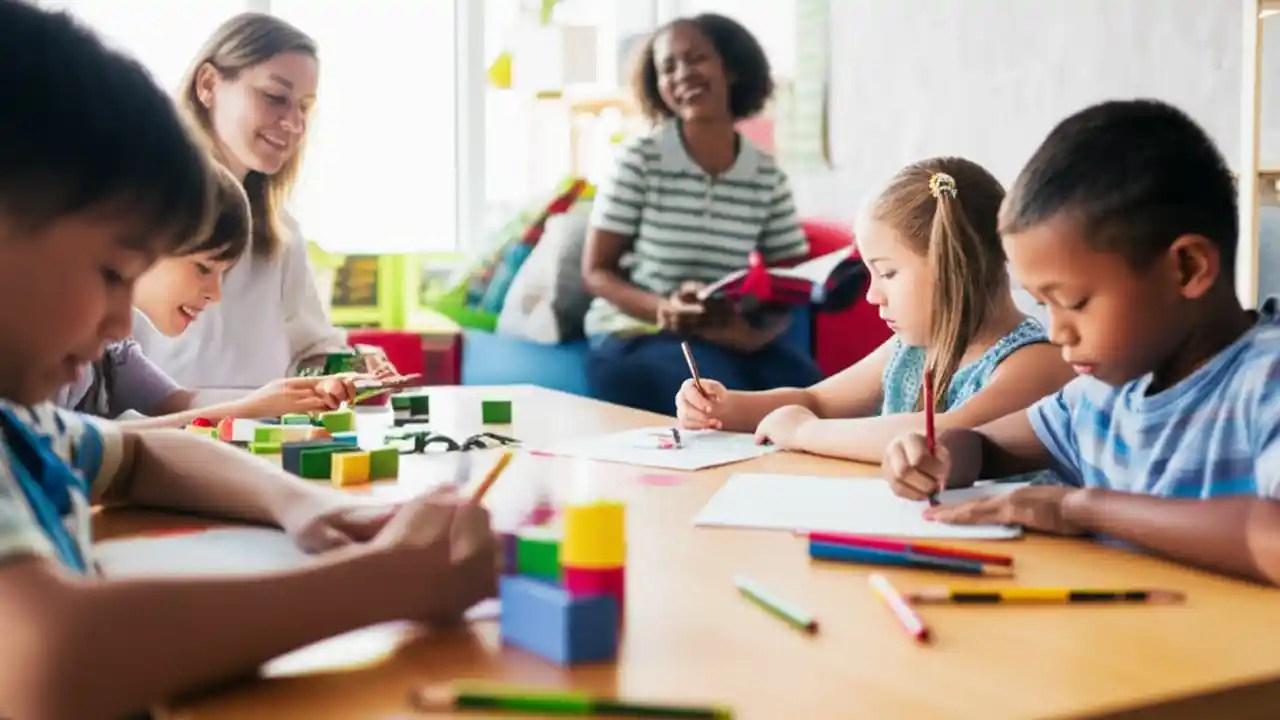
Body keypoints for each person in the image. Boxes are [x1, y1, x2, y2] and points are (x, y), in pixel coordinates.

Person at [0, 5, 495, 717]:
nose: (119, 322)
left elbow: (136, 458)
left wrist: (310, 506)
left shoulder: (20, 428)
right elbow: (50, 660)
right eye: (112, 273)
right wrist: (387, 584)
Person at [884, 99, 1280, 585]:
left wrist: (1083, 507)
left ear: (1187, 268)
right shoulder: (1104, 390)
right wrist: (936, 452)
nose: (1056, 332)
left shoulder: (1267, 380)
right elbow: (985, 446)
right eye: (1043, 305)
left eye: (1072, 302)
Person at [675, 158, 1073, 462]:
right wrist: (725, 407)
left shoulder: (1036, 363)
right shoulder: (911, 348)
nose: (871, 296)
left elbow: (944, 435)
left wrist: (805, 433)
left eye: (887, 273)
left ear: (956, 266)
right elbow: (817, 400)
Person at [133, 12, 392, 389]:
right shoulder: (140, 208)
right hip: (165, 433)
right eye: (275, 97)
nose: (295, 123)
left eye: (304, 106)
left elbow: (309, 353)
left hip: (262, 435)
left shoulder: (280, 231)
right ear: (208, 85)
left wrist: (345, 365)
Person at [581, 13, 823, 414]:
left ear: (731, 67)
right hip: (635, 336)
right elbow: (596, 273)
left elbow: (788, 286)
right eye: (668, 68)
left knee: (814, 395)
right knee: (720, 396)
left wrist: (753, 335)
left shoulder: (767, 175)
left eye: (696, 59)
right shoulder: (639, 161)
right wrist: (663, 309)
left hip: (724, 336)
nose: (682, 75)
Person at [56, 165, 362, 427]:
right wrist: (257, 404)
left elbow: (178, 402)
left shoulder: (114, 353)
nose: (215, 295)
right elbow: (79, 443)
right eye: (203, 268)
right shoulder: (50, 342)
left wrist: (278, 398)